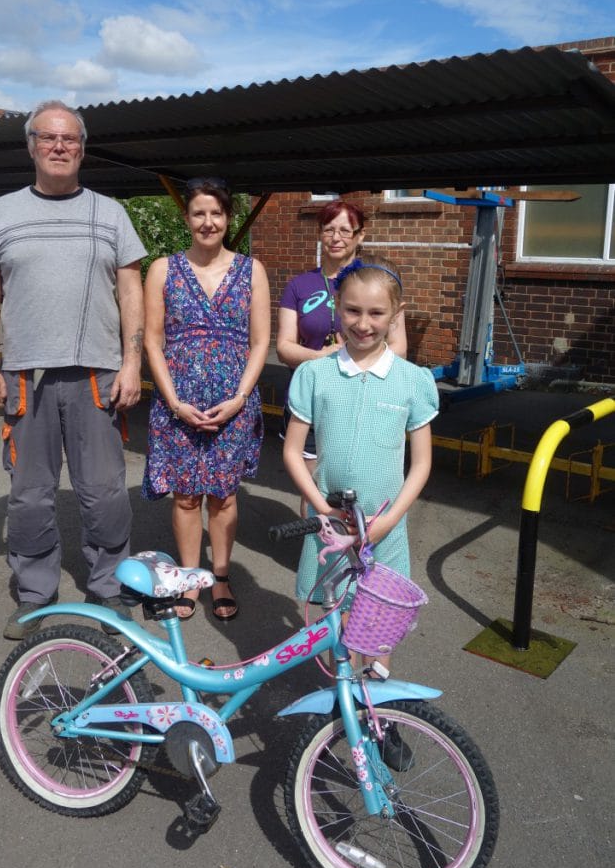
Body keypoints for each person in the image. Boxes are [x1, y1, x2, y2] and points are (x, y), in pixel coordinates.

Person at [0, 99, 146, 640]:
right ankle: (35, 596)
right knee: (29, 495)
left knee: (105, 492)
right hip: (25, 375)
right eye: (48, 137)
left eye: (70, 139)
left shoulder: (110, 213)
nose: (60, 146)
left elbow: (132, 289)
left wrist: (132, 363)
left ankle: (109, 591)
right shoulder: (1, 214)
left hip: (96, 373)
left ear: (83, 148)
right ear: (31, 146)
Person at [283, 256, 438, 675]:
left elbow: (421, 464)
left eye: (376, 313)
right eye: (353, 310)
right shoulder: (314, 375)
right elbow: (293, 452)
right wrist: (322, 509)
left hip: (385, 532)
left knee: (378, 628)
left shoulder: (412, 381)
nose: (363, 323)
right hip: (329, 529)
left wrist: (388, 521)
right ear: (336, 307)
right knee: (336, 627)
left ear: (395, 315)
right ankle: (342, 710)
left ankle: (378, 717)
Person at [141, 178, 271, 620]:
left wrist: (239, 398)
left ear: (228, 218)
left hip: (232, 407)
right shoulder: (162, 269)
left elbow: (261, 342)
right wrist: (175, 402)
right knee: (185, 497)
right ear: (187, 219)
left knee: (224, 497)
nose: (208, 222)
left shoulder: (252, 271)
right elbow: (153, 342)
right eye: (199, 213)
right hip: (178, 407)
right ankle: (188, 578)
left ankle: (220, 577)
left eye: (216, 213)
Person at [276, 199, 407, 461]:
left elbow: (399, 348)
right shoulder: (299, 285)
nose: (336, 238)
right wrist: (324, 357)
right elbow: (284, 347)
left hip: (366, 397)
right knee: (313, 492)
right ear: (320, 234)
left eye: (346, 231)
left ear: (360, 236)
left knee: (360, 482)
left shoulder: (379, 280)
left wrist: (355, 363)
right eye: (328, 230)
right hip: (313, 397)